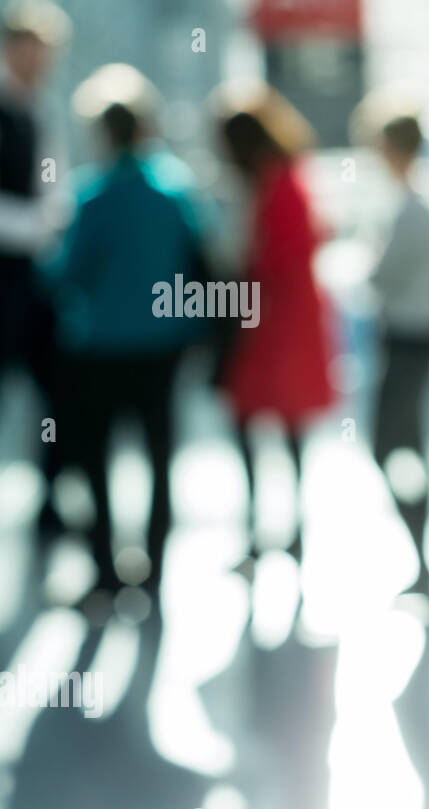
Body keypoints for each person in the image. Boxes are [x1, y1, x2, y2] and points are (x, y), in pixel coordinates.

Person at [50, 65, 208, 601]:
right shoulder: (176, 191)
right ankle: (155, 565)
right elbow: (201, 264)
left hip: (100, 346)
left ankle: (104, 566)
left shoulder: (91, 196)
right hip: (162, 345)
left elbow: (68, 274)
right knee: (160, 454)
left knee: (97, 457)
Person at [216, 87, 336, 567]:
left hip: (276, 326)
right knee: (272, 426)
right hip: (273, 323)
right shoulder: (278, 181)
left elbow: (276, 261)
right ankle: (271, 527)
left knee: (277, 426)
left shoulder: (280, 184)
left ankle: (285, 528)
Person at [365, 111, 429, 597]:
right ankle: (421, 557)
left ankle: (421, 551)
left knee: (391, 445)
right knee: (408, 445)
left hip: (410, 339)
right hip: (422, 337)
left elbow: (382, 276)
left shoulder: (415, 207)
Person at [0, 0, 69, 539]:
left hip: (35, 281)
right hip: (7, 280)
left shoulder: (36, 108)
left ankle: (50, 504)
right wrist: (42, 225)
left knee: (56, 393)